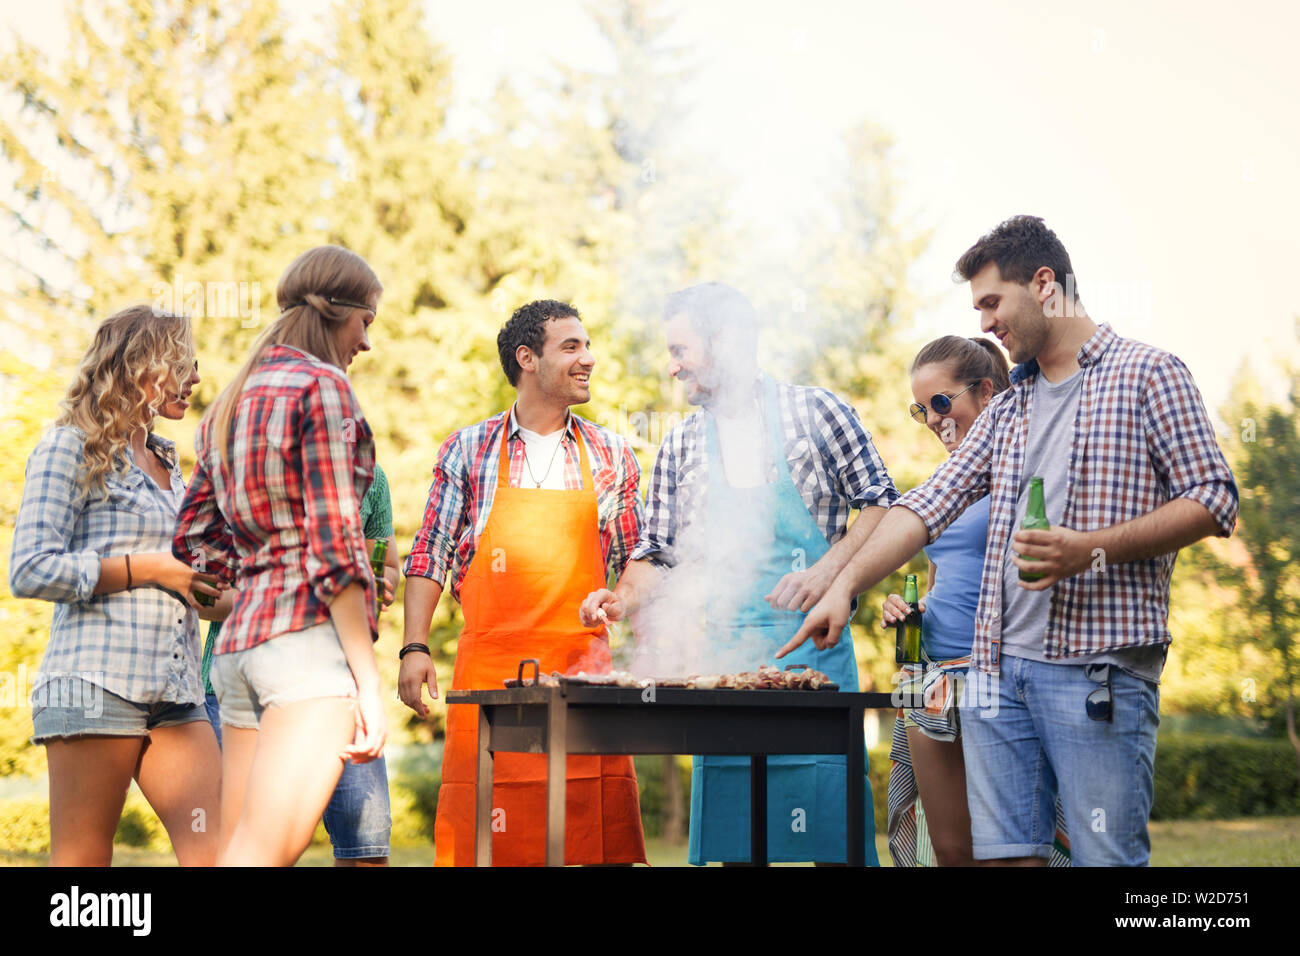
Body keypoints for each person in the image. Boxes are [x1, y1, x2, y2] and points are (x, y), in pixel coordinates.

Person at [782, 216, 1238, 866]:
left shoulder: (1148, 374)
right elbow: (927, 505)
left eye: (992, 303)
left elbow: (1214, 497)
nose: (986, 322)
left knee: (1103, 858)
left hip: (1095, 670)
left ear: (1044, 284)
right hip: (997, 677)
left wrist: (1090, 548)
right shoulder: (1008, 407)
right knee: (1004, 861)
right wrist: (844, 585)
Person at [580, 282, 898, 866]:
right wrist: (621, 598)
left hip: (814, 659)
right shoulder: (679, 443)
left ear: (724, 340)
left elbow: (884, 504)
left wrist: (828, 573)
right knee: (735, 846)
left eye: (680, 350)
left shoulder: (817, 411)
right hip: (722, 673)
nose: (672, 368)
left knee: (833, 839)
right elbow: (658, 552)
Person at [399, 299, 647, 867]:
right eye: (572, 347)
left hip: (584, 684)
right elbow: (430, 552)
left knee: (589, 842)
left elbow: (640, 559)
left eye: (587, 345)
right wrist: (414, 646)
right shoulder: (469, 448)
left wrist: (625, 599)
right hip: (490, 682)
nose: (589, 358)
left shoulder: (611, 453)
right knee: (488, 843)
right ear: (527, 358)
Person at [173, 245, 387, 867]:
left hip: (239, 652)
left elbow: (194, 542)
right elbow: (338, 548)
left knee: (234, 856)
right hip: (305, 653)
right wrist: (367, 685)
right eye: (366, 322)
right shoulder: (325, 389)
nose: (366, 343)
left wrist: (258, 581)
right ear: (336, 312)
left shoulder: (229, 401)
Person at [10, 305, 222, 866]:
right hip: (94, 684)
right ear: (144, 367)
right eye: (186, 364)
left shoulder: (166, 461)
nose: (197, 378)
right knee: (82, 871)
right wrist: (150, 569)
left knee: (218, 852)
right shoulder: (70, 447)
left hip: (176, 692)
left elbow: (185, 578)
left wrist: (232, 596)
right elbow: (30, 568)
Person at [199, 461, 399, 866]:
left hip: (339, 683)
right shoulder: (231, 476)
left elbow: (387, 563)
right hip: (243, 688)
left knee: (367, 846)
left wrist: (380, 584)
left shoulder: (370, 477)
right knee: (256, 843)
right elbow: (203, 597)